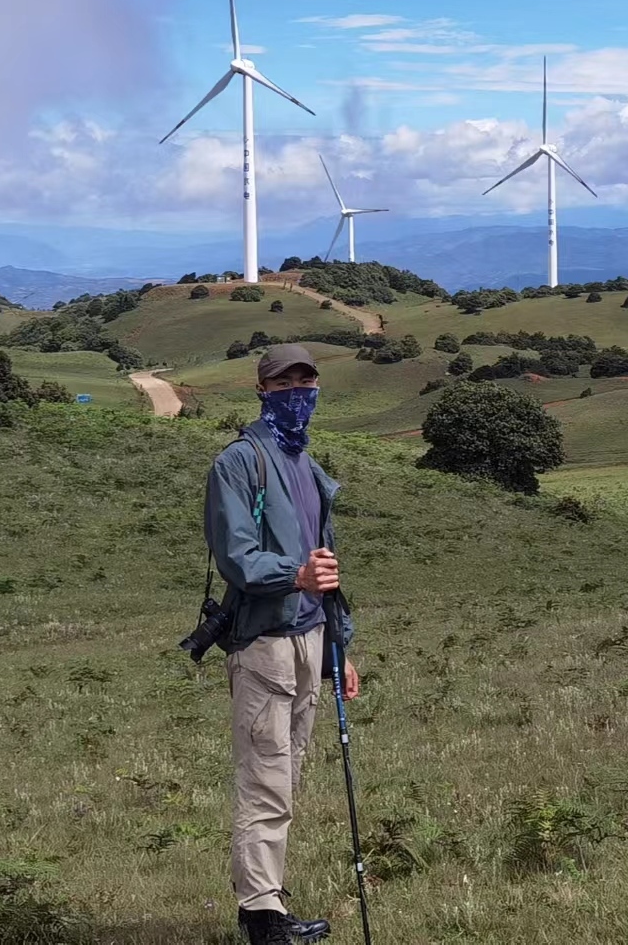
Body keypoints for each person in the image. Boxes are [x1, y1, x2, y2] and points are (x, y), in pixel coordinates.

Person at [205, 343, 360, 945]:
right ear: (262, 389)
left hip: (311, 636)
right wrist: (291, 576)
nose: (300, 391)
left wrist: (338, 652)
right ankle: (263, 919)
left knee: (286, 774)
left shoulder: (306, 464)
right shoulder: (239, 463)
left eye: (308, 380)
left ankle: (267, 907)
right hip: (265, 642)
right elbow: (237, 556)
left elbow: (327, 569)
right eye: (287, 382)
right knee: (265, 780)